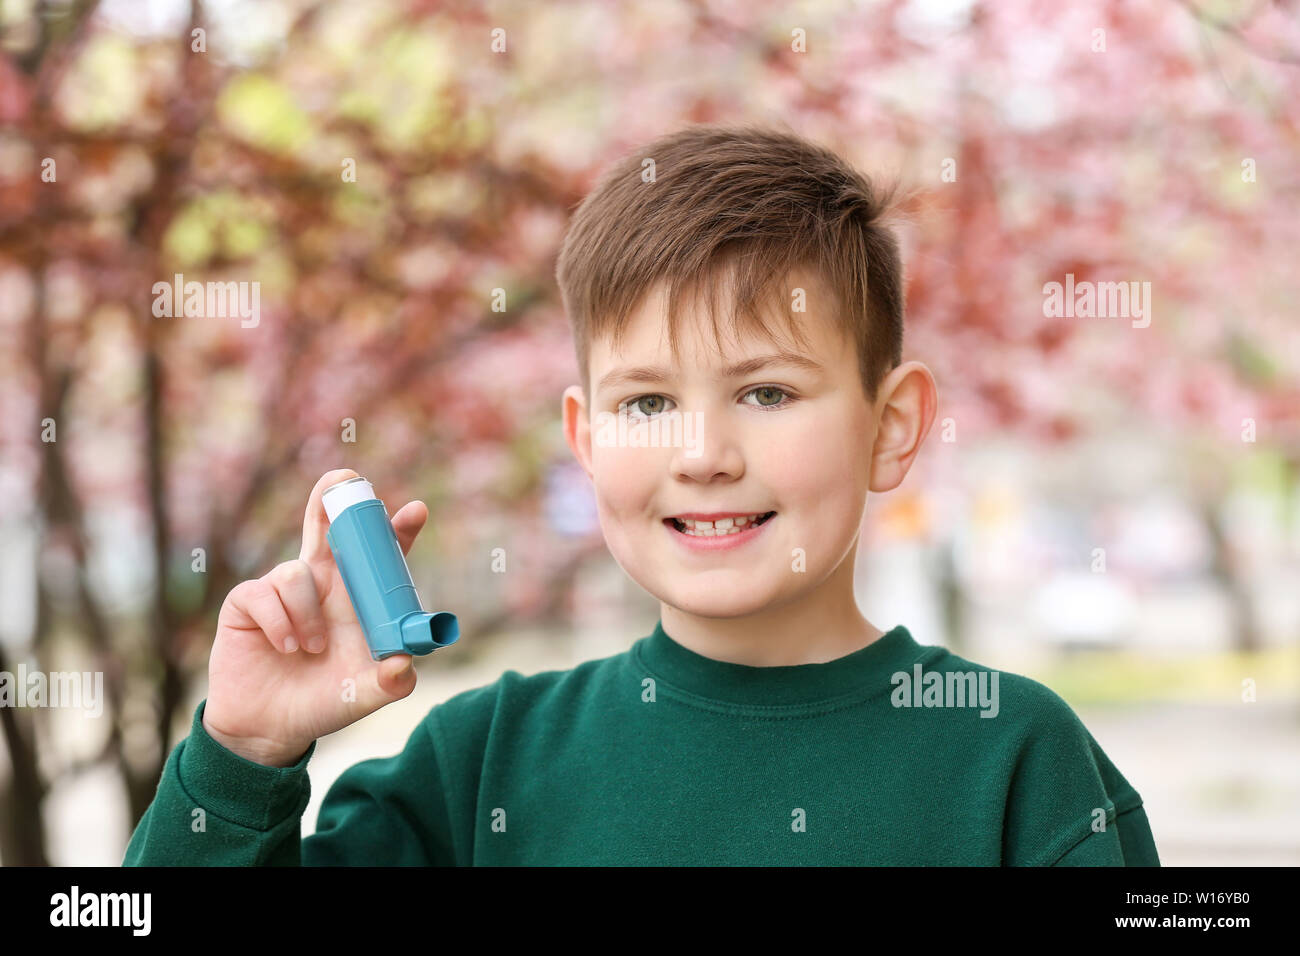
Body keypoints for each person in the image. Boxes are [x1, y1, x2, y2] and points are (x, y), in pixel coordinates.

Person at [123, 122, 1159, 865]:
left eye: (765, 390)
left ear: (890, 428)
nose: (703, 453)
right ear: (585, 437)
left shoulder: (1015, 762)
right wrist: (240, 755)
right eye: (648, 401)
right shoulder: (476, 768)